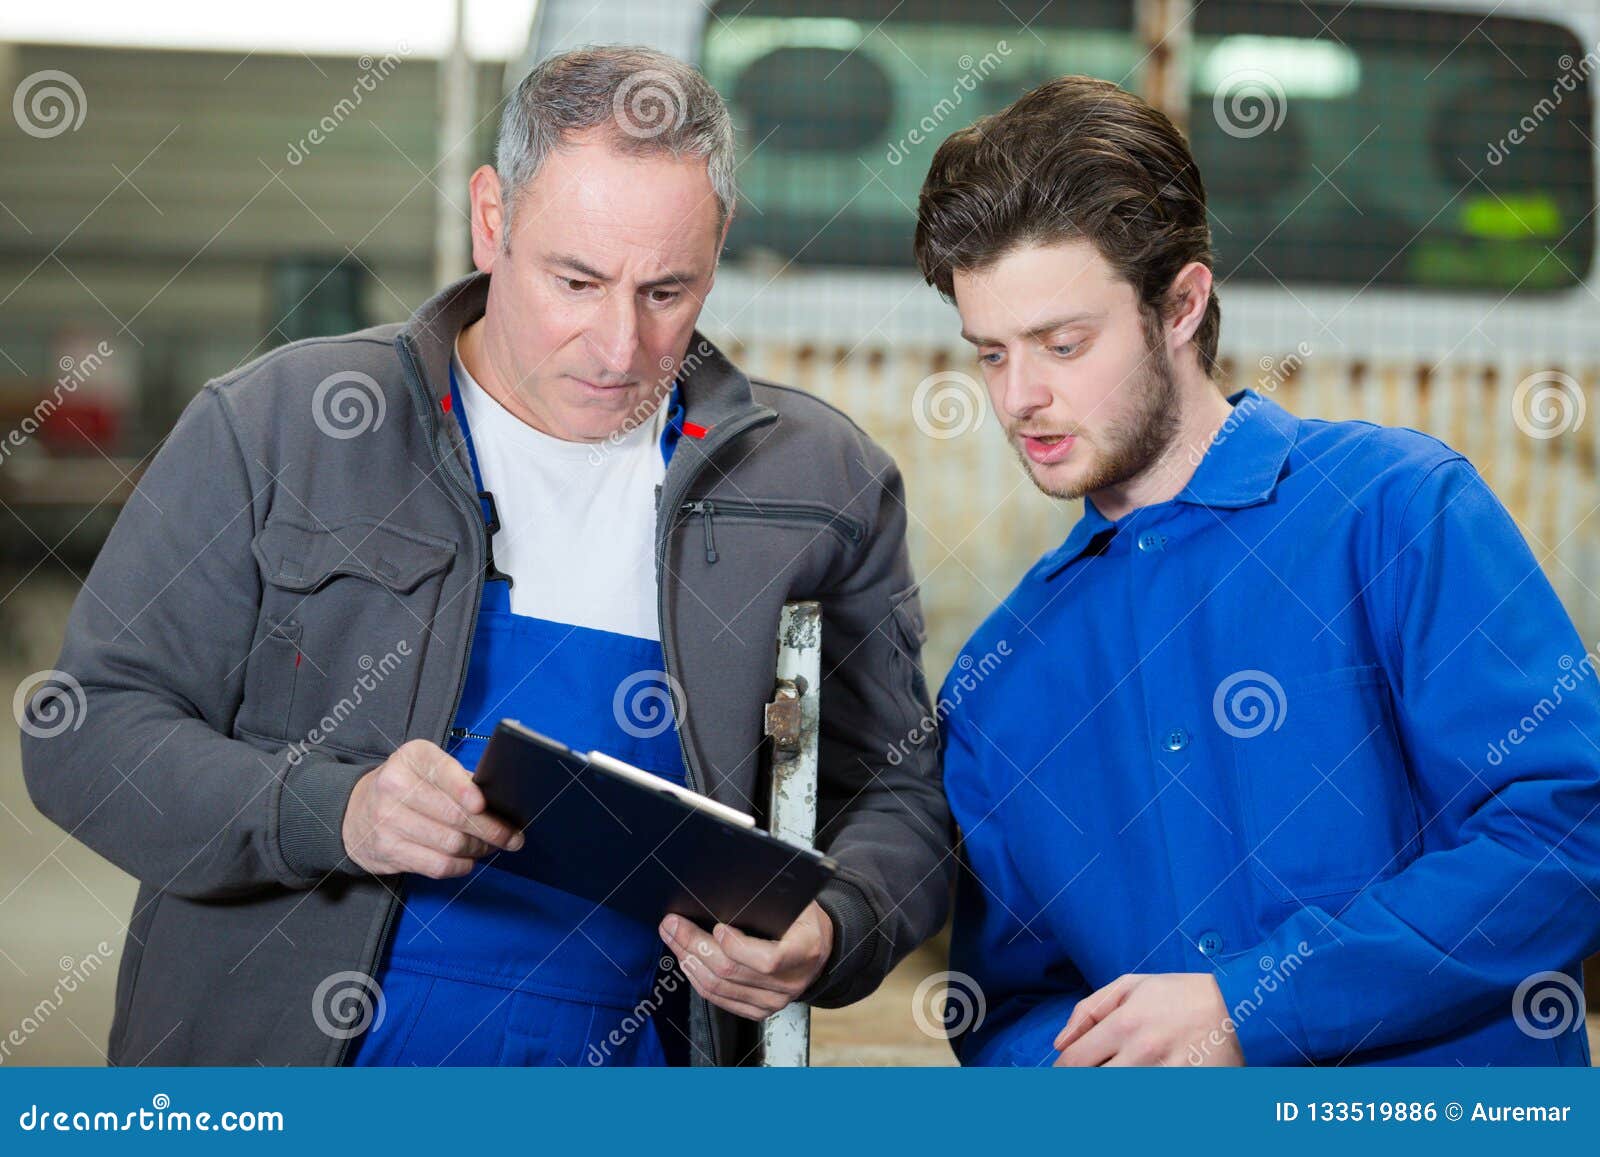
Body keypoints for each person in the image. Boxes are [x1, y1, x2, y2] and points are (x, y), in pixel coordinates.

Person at [21, 46, 951, 1067]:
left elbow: (902, 797)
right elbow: (87, 733)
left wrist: (838, 925)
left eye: (666, 290)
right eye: (576, 280)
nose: (618, 347)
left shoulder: (820, 484)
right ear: (491, 218)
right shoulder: (283, 426)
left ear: (719, 244)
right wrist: (334, 811)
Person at [915, 75, 1600, 1066]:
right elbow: (1009, 1010)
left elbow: (1565, 832)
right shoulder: (1000, 681)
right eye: (990, 354)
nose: (1020, 396)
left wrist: (1250, 1006)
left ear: (1181, 304)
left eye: (1062, 344)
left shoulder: (1395, 511)